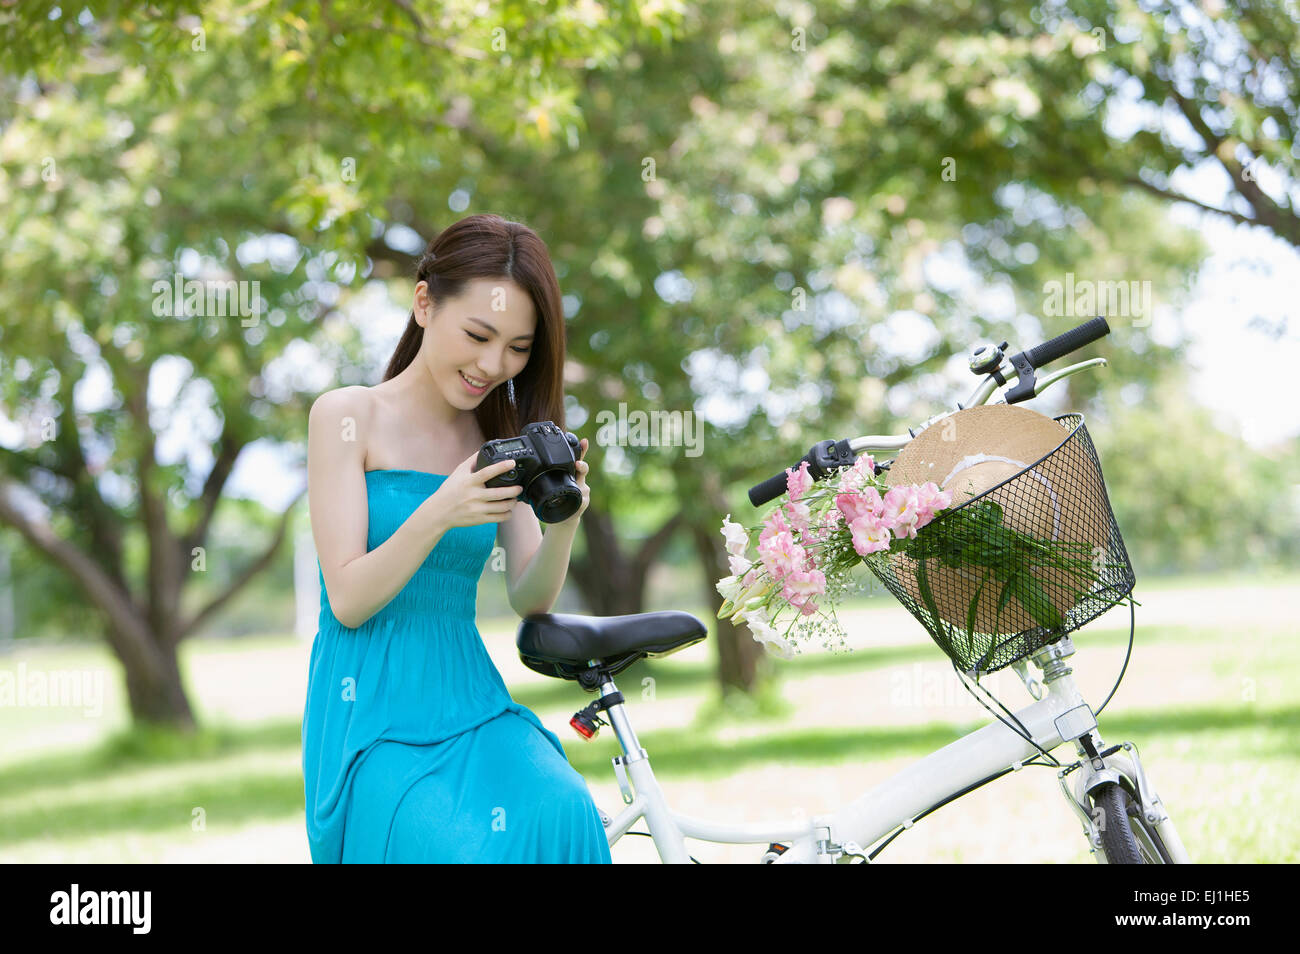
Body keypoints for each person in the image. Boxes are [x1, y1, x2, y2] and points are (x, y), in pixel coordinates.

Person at [301, 213, 612, 863]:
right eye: (478, 334)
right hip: (373, 720)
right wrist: (441, 510)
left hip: (472, 700)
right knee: (469, 849)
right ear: (423, 303)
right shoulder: (347, 416)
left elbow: (531, 597)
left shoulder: (497, 437)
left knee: (566, 811)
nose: (493, 365)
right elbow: (348, 599)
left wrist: (565, 521)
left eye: (518, 348)